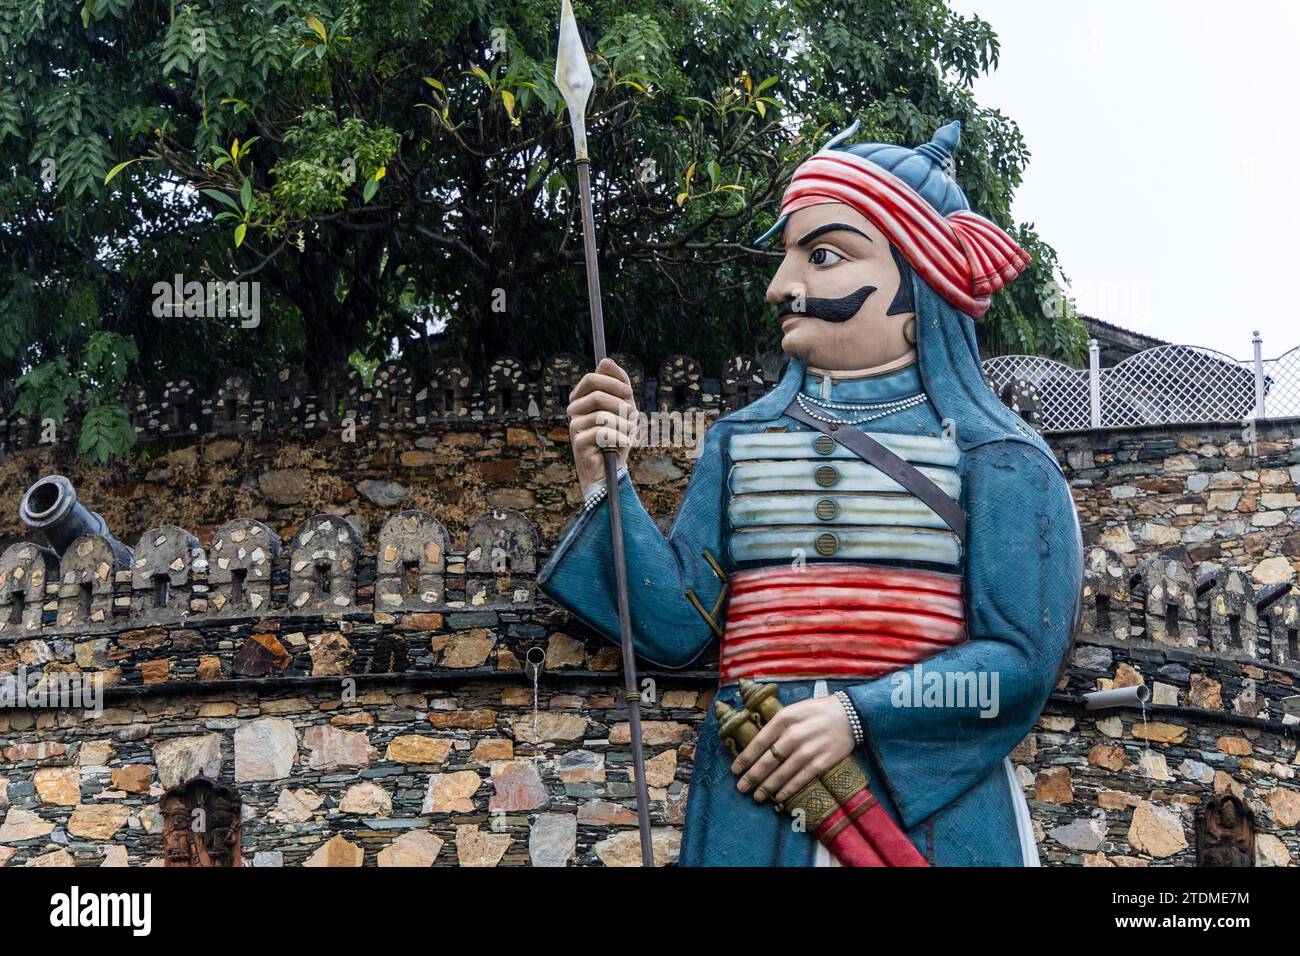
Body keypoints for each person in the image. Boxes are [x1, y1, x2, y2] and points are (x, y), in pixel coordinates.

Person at [539, 120, 1082, 866]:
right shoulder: (739, 441)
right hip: (753, 785)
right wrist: (608, 481)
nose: (781, 287)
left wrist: (858, 716)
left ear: (918, 279)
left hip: (922, 812)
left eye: (822, 255)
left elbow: (1020, 659)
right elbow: (675, 626)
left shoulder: (1000, 460)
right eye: (789, 255)